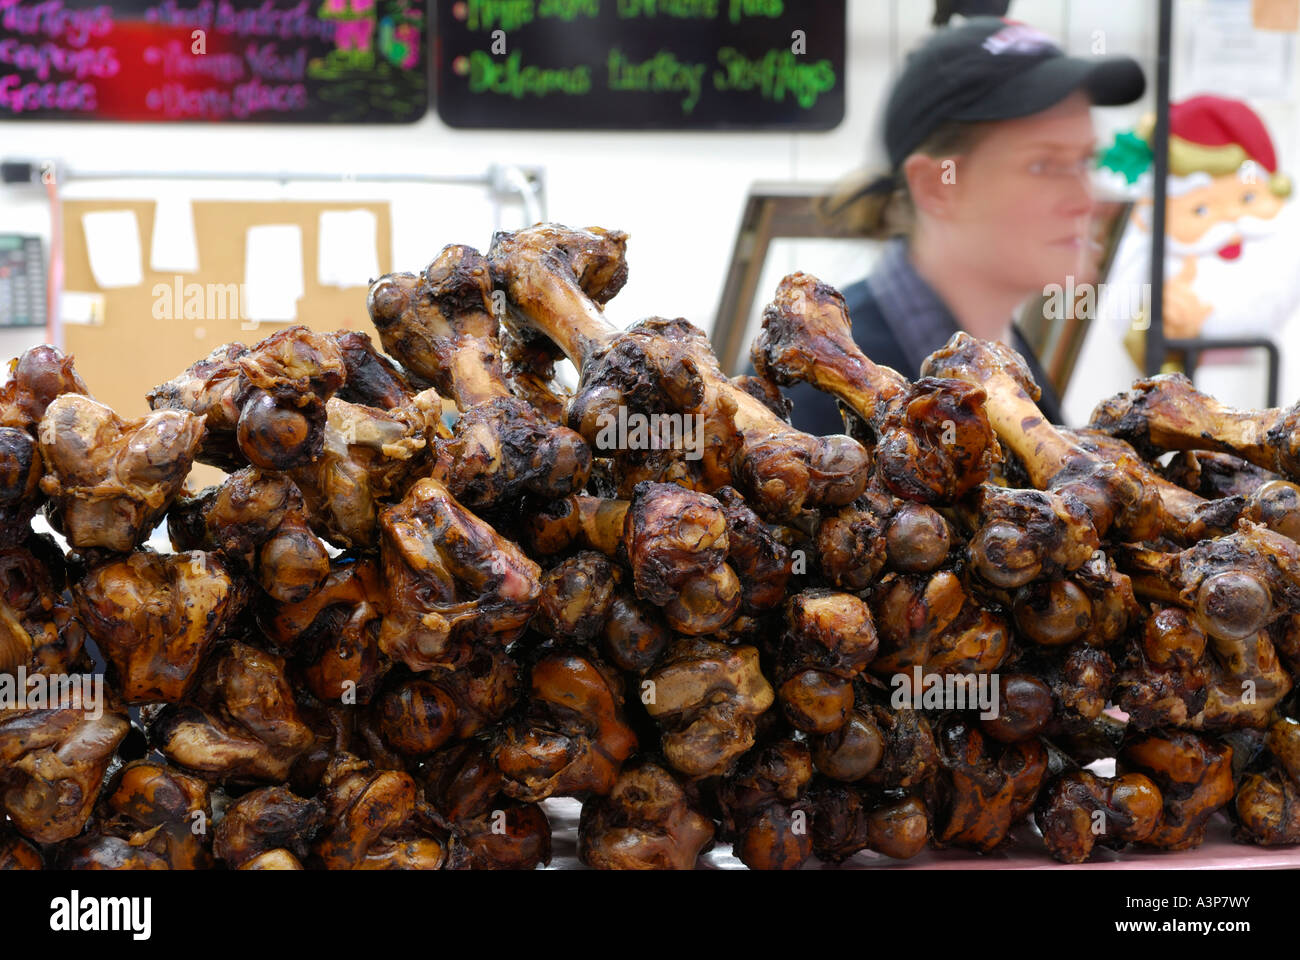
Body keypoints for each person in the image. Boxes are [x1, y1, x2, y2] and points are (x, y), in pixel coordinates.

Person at [780, 17, 1146, 435]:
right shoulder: (821, 393)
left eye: (1084, 162)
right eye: (1044, 165)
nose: (1087, 200)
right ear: (938, 186)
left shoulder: (1003, 353)